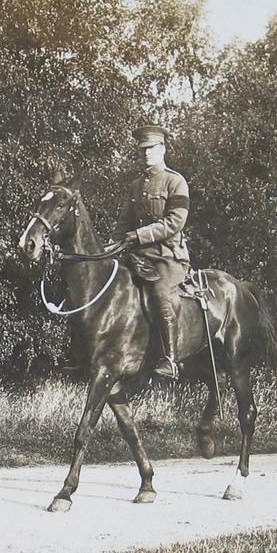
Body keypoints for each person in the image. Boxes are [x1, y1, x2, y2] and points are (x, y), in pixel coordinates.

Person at [113, 124, 191, 379]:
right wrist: (112, 245)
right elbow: (124, 221)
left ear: (163, 149)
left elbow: (175, 222)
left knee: (160, 292)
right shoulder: (136, 186)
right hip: (138, 257)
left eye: (152, 148)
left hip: (167, 256)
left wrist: (139, 235)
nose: (147, 153)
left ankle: (170, 359)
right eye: (143, 149)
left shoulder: (175, 181)